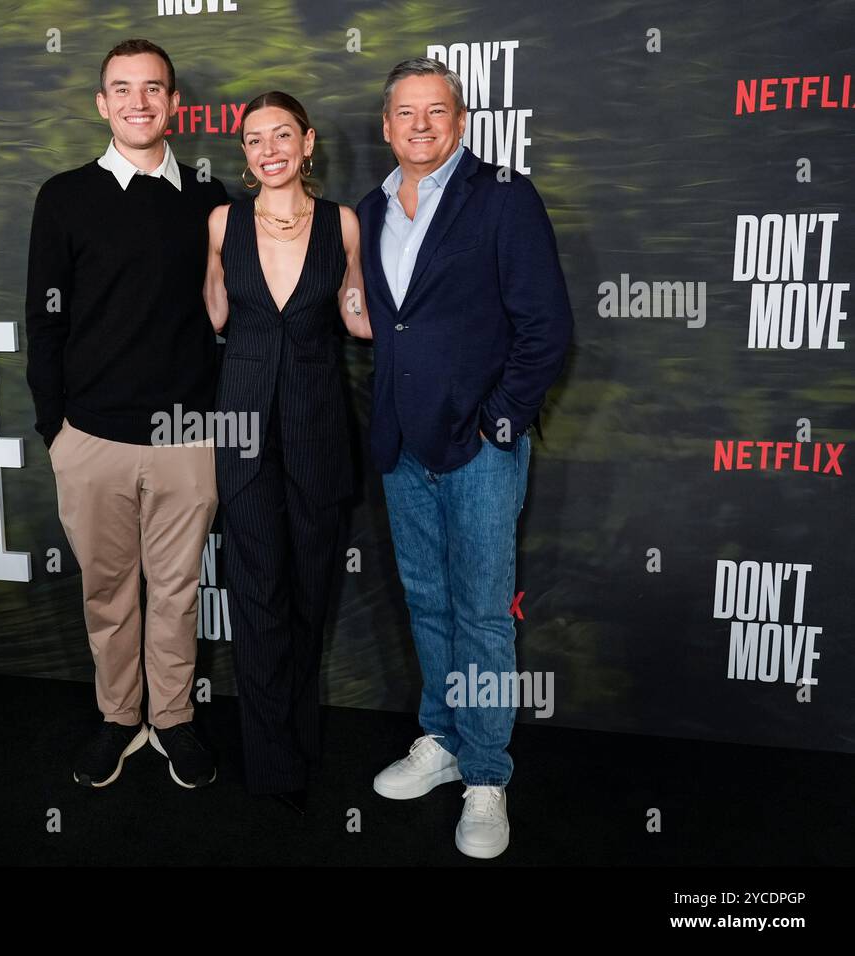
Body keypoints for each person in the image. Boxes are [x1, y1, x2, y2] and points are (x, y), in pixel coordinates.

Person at [356, 58, 572, 857]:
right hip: (401, 444)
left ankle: (487, 775)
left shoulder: (504, 198)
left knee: (482, 614)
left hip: (480, 447)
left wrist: (500, 421)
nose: (420, 125)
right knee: (428, 602)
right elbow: (388, 320)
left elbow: (546, 325)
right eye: (404, 113)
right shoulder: (368, 208)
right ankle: (442, 740)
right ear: (385, 125)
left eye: (435, 111)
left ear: (462, 119)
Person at [25, 38, 228, 790]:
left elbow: (231, 318)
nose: (138, 102)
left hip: (186, 441)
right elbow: (43, 323)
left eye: (153, 89)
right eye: (122, 89)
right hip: (92, 441)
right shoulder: (64, 196)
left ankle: (172, 719)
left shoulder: (210, 201)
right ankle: (119, 717)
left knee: (177, 593)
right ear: (101, 103)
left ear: (173, 102)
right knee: (107, 593)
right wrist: (58, 432)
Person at [203, 91, 372, 814]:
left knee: (309, 594)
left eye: (281, 135)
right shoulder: (220, 223)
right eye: (252, 139)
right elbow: (210, 314)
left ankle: (299, 737)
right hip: (240, 434)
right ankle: (273, 760)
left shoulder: (344, 223)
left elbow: (359, 317)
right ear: (244, 156)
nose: (267, 148)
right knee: (257, 592)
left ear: (307, 144)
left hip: (318, 431)